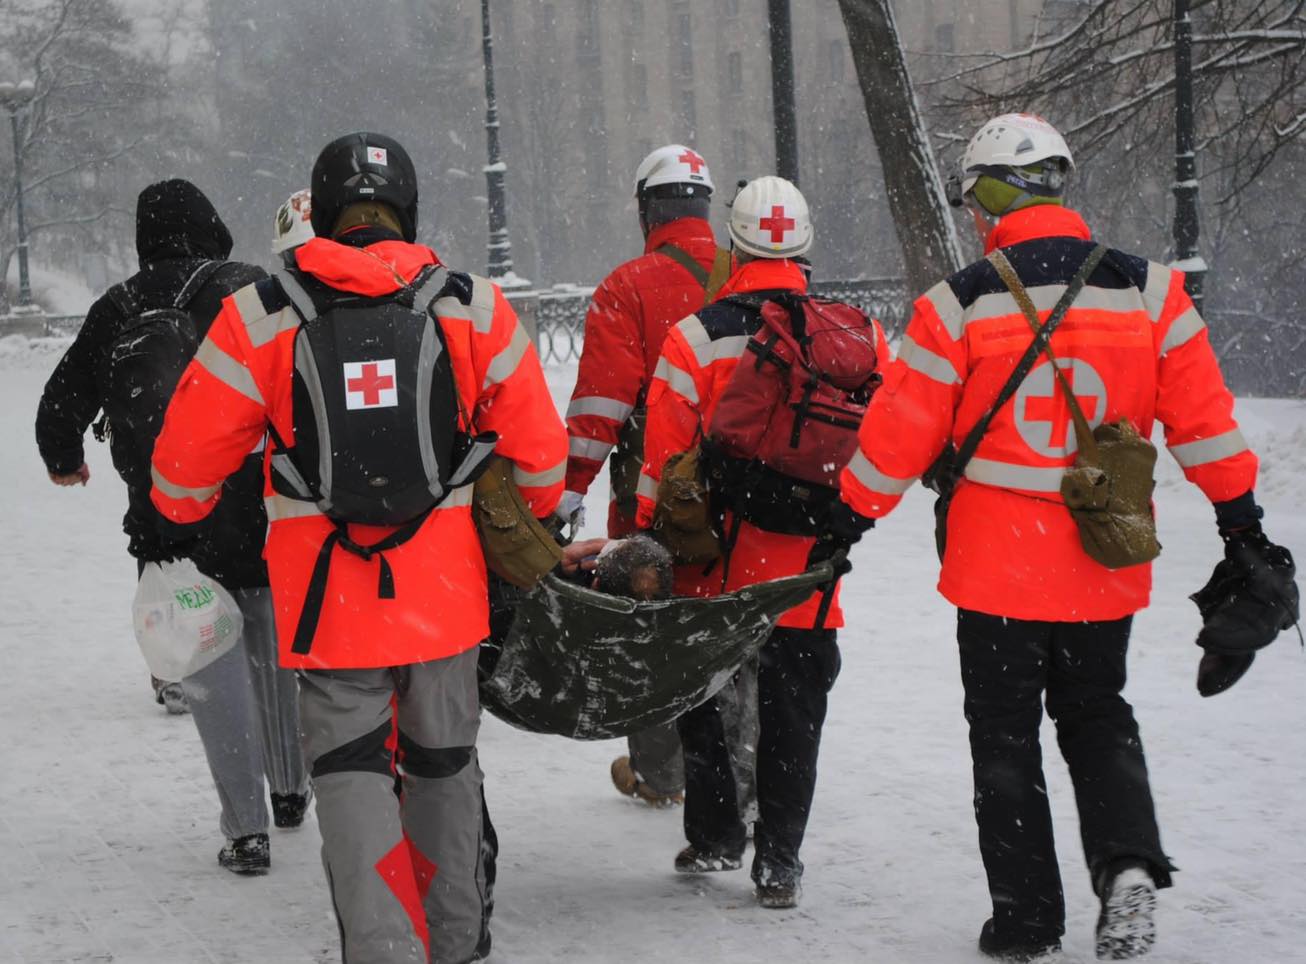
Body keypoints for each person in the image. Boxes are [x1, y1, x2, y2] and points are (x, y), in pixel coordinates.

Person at [838, 112, 1295, 960]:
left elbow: (896, 440)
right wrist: (1243, 526)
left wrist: (848, 517)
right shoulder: (1153, 293)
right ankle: (1126, 864)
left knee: (1004, 735)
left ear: (992, 198)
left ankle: (1024, 919)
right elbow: (1205, 428)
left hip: (994, 565)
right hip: (1103, 554)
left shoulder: (959, 301)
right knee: (1096, 714)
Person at [150, 132, 566, 964]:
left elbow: (179, 478)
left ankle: (383, 949)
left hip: (327, 606)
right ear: (405, 208)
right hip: (445, 601)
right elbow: (545, 469)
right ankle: (454, 940)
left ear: (324, 211)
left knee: (349, 777)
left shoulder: (260, 314)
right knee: (443, 766)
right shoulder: (471, 305)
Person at [35, 178, 311, 874]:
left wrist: (66, 459)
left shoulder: (115, 307)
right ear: (211, 224)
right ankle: (290, 789)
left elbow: (58, 404)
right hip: (257, 505)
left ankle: (246, 830)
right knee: (272, 647)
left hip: (168, 522)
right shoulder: (248, 289)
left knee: (211, 665)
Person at [636, 175, 888, 910]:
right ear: (804, 245)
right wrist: (845, 520)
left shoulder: (695, 335)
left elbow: (663, 462)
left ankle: (716, 833)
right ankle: (780, 858)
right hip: (808, 572)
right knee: (795, 716)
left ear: (736, 244)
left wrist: (658, 542)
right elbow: (886, 441)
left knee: (707, 699)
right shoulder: (855, 335)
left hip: (717, 568)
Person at [561, 143, 729, 808]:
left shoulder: (627, 288)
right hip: (746, 493)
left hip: (656, 491)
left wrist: (566, 491)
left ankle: (662, 773)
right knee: (734, 620)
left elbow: (601, 406)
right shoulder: (748, 272)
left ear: (646, 210)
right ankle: (741, 768)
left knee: (650, 627)